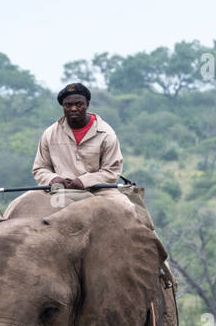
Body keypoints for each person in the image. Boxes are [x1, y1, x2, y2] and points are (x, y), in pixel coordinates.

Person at [26, 82, 152, 227]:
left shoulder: (106, 133)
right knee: (24, 203)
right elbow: (40, 168)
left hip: (99, 191)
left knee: (127, 209)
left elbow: (112, 171)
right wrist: (54, 179)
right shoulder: (50, 133)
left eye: (79, 104)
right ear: (63, 107)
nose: (73, 108)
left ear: (87, 104)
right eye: (68, 105)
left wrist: (83, 181)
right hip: (59, 191)